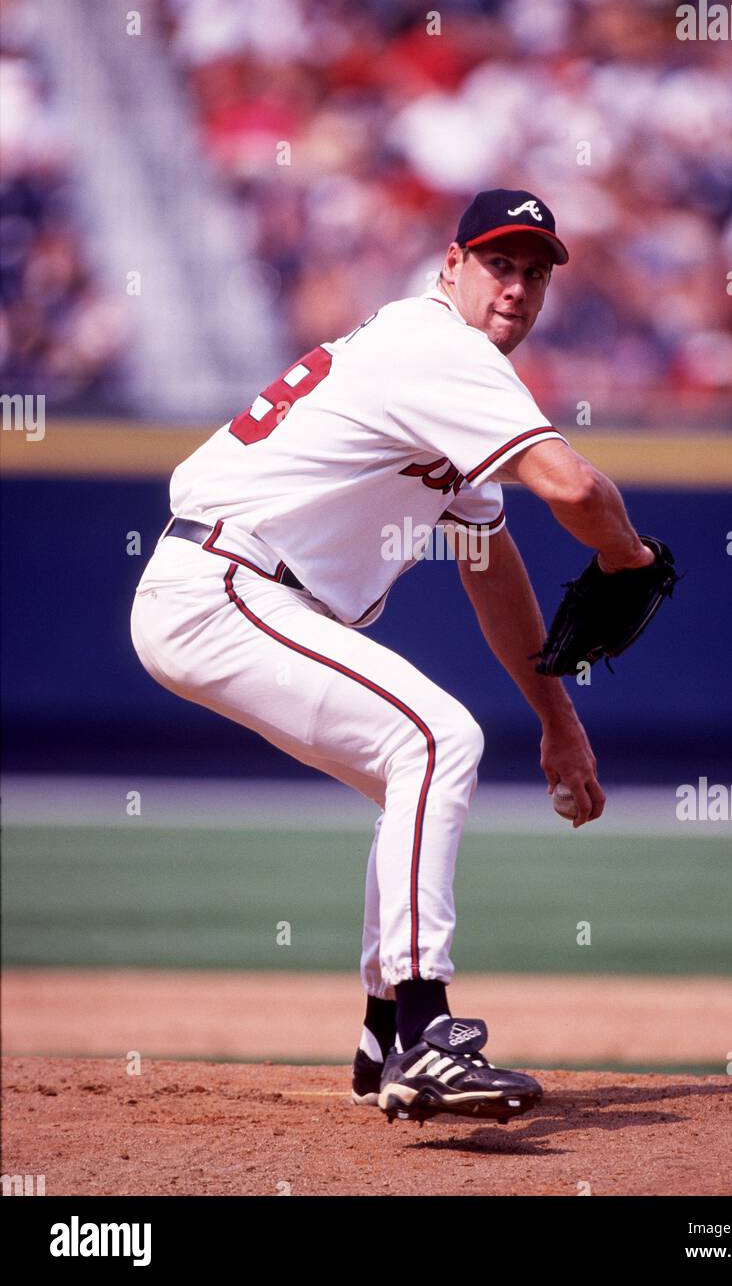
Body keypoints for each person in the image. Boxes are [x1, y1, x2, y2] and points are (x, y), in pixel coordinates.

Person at [130, 188, 654, 1125]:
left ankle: (385, 1040)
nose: (519, 286)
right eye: (501, 263)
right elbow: (571, 487)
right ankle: (425, 1030)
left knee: (410, 779)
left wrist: (558, 722)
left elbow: (489, 567)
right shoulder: (437, 347)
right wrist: (627, 554)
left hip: (244, 591)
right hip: (225, 581)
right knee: (436, 739)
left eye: (536, 272)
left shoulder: (449, 372)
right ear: (450, 266)